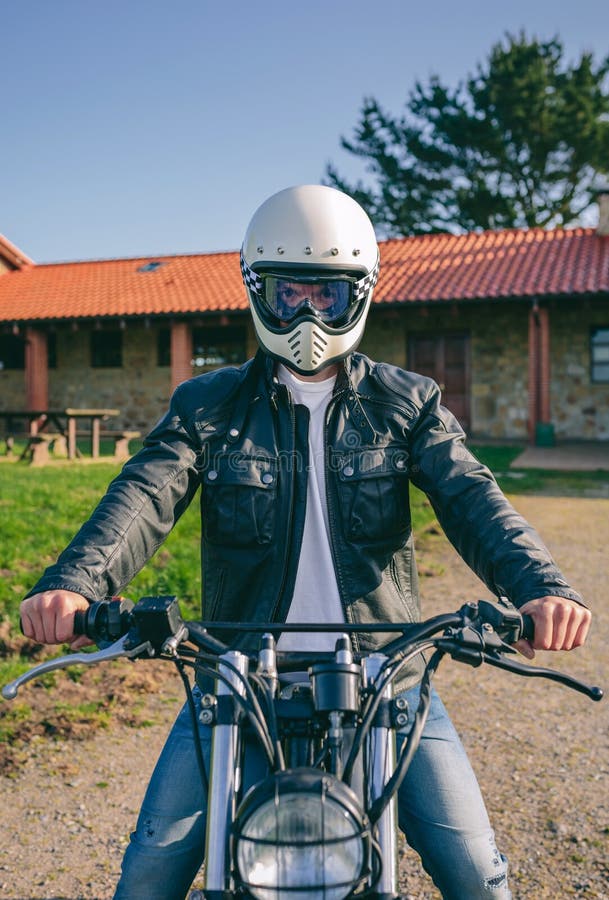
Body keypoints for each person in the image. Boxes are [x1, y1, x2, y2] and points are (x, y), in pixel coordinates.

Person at [20, 185, 591, 899]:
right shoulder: (207, 405)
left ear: (360, 293)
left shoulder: (406, 402)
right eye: (289, 293)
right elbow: (141, 498)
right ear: (258, 291)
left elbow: (472, 497)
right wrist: (75, 583)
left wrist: (540, 588)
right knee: (148, 871)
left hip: (385, 673)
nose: (307, 316)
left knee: (475, 870)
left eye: (326, 294)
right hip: (235, 677)